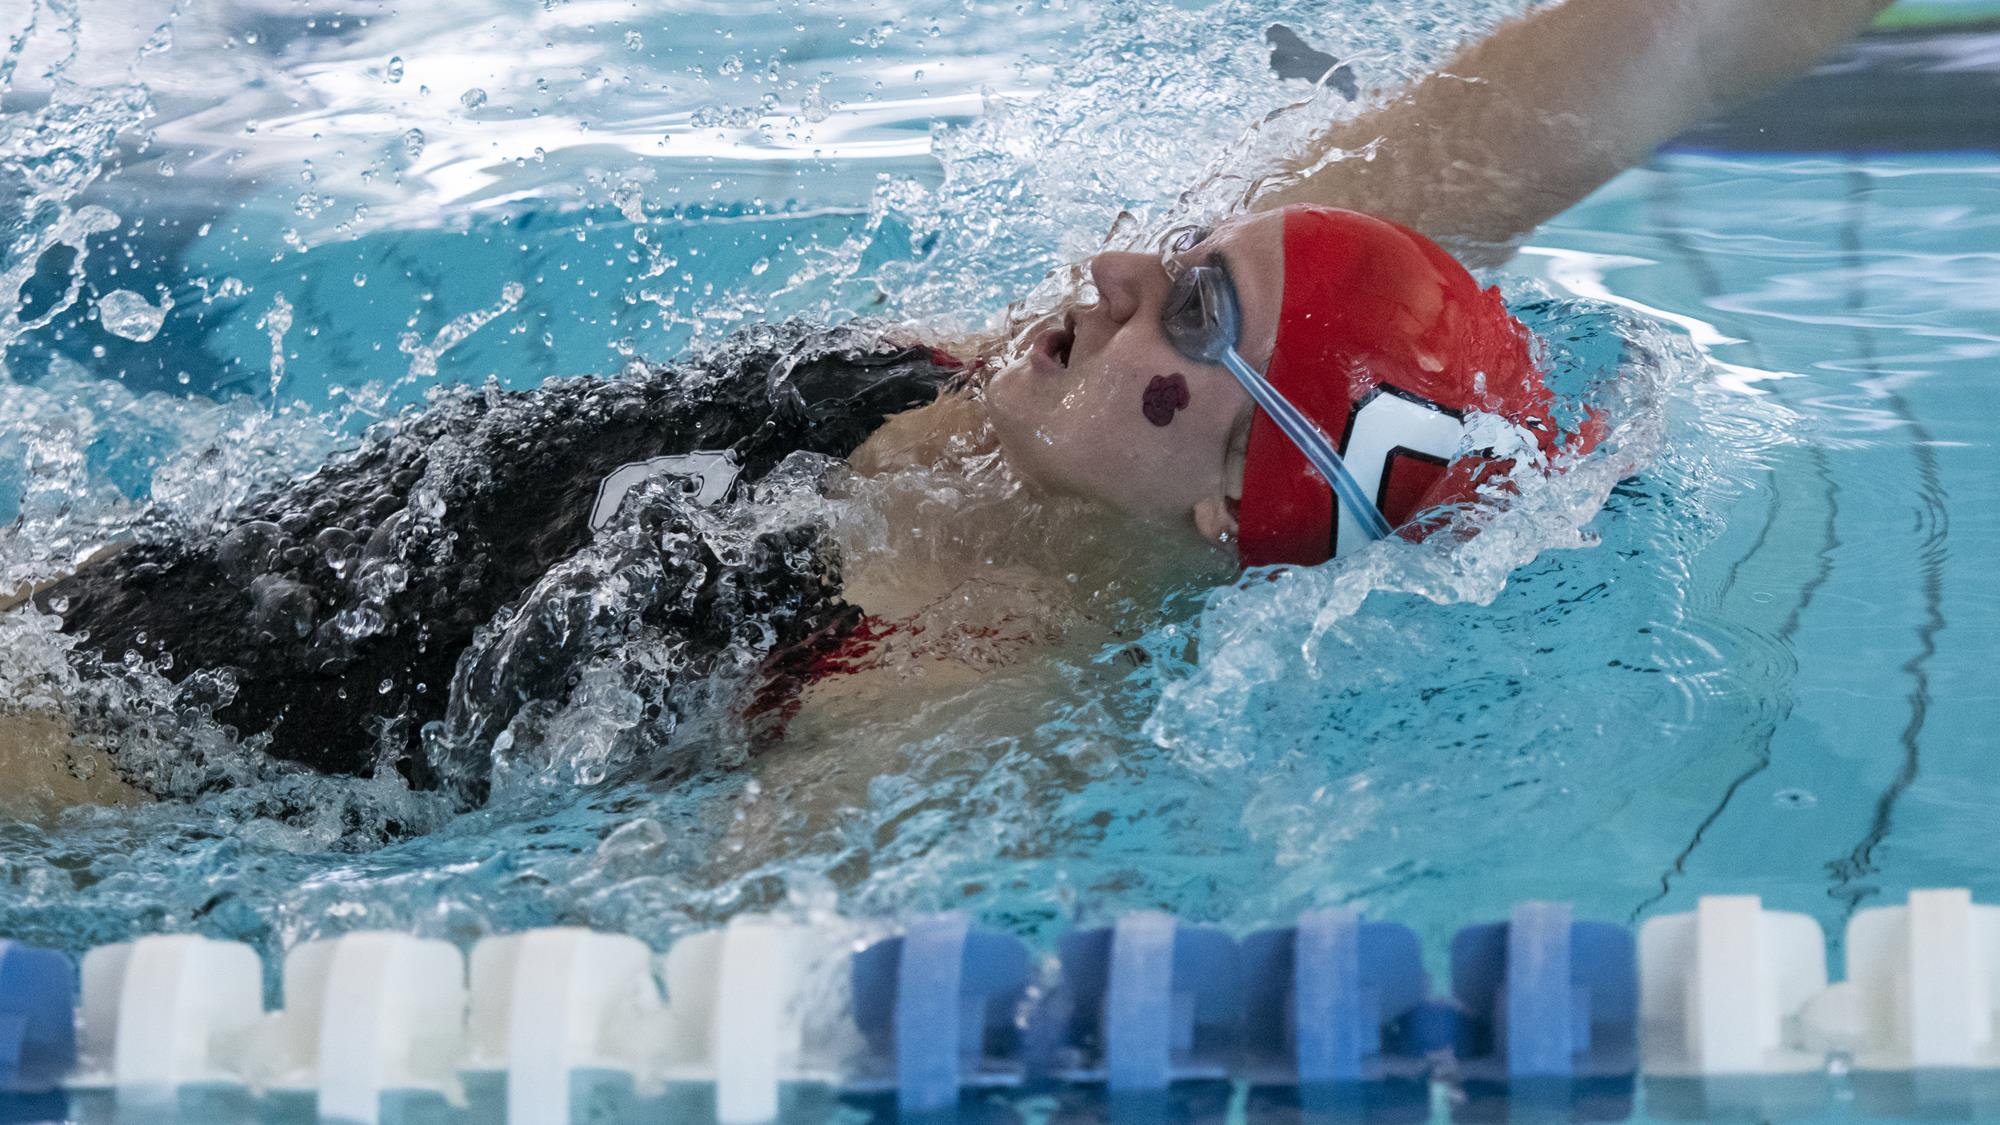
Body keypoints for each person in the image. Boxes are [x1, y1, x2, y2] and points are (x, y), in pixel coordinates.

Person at [7, 0, 1893, 810]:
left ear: (1242, 501)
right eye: (1177, 254)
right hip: (164, 579)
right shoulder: (1059, 403)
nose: (1112, 276)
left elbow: (684, 999)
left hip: (133, 772)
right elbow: (1657, 52)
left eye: (1193, 308)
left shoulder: (951, 685)